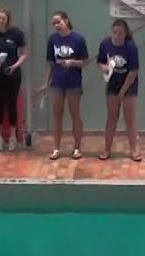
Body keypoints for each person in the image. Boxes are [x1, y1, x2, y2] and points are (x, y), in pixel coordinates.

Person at [43, 11, 88, 160]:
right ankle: (56, 148)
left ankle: (77, 147)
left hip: (73, 82)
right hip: (57, 82)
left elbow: (85, 61)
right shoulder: (52, 40)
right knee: (57, 116)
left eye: (59, 22)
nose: (56, 25)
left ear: (66, 21)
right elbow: (50, 63)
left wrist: (73, 63)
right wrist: (46, 82)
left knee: (75, 114)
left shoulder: (78, 39)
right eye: (54, 23)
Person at [97, 19, 141, 162]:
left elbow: (133, 72)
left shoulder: (131, 47)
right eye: (114, 32)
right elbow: (100, 62)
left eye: (120, 33)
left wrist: (123, 91)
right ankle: (107, 149)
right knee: (111, 119)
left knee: (130, 120)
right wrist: (104, 68)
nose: (116, 36)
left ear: (125, 33)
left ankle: (134, 150)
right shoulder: (105, 44)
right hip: (113, 84)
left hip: (129, 84)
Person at [0, 8, 28, 152]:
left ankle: (13, 137)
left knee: (11, 104)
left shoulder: (16, 33)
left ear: (8, 19)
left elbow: (24, 54)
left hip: (12, 73)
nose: (1, 21)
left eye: (3, 18)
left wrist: (15, 66)